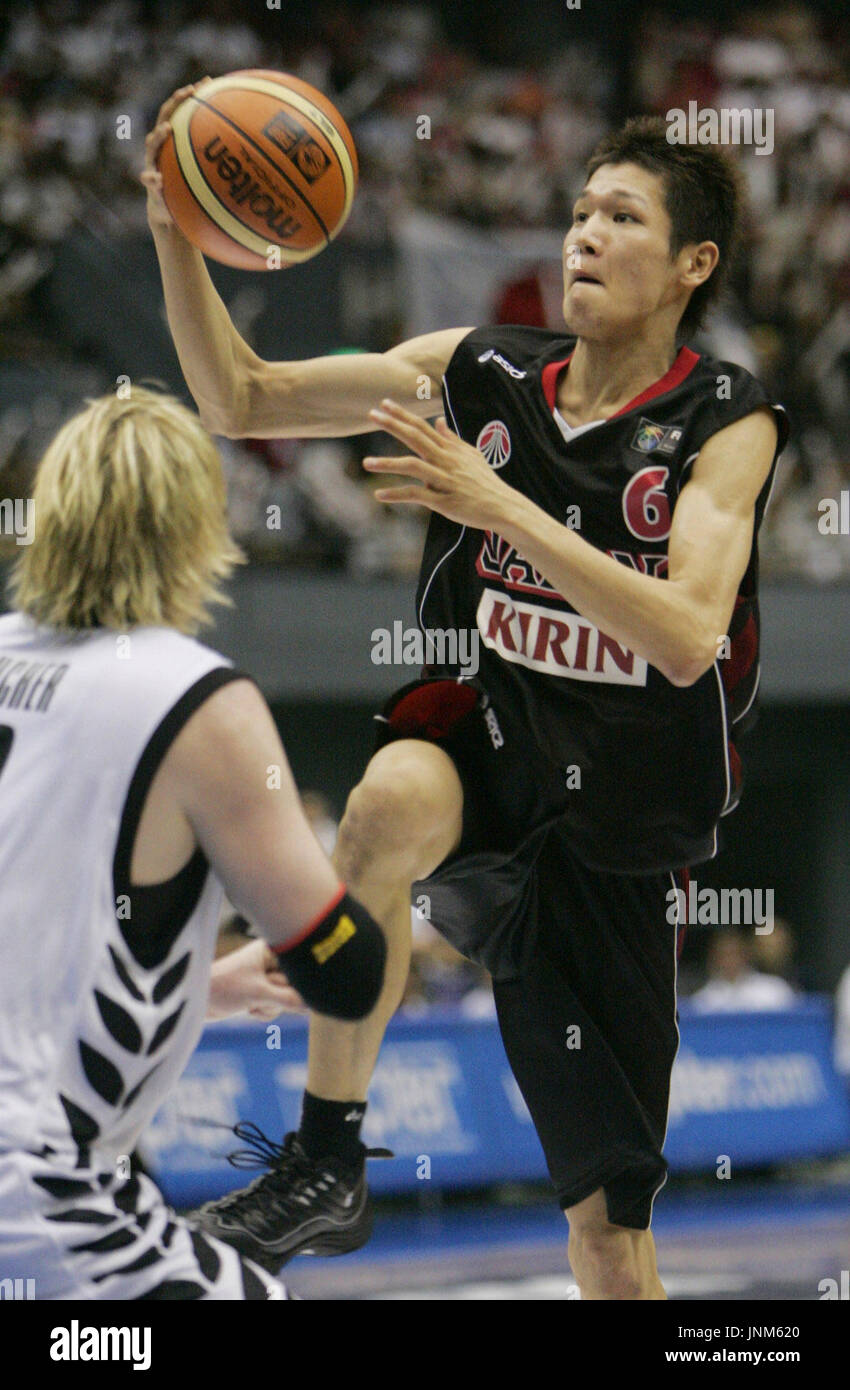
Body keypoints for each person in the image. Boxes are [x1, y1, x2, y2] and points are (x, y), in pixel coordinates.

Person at [143, 90, 789, 1300]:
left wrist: (495, 505)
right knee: (387, 796)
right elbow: (242, 400)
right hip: (496, 739)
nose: (582, 236)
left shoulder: (726, 418)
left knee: (608, 1250)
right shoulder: (482, 370)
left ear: (693, 262)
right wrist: (180, 223)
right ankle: (327, 1160)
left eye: (622, 216)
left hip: (621, 832)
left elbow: (689, 635)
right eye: (581, 210)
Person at [0, 385, 386, 1300]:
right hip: (35, 1192)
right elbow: (345, 973)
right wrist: (383, 856)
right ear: (198, 532)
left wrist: (199, 988)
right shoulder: (197, 698)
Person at [690, 929, 797, 1012]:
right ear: (714, 959)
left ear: (746, 955)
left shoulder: (775, 989)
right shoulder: (704, 1000)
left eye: (734, 954)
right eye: (724, 955)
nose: (730, 960)